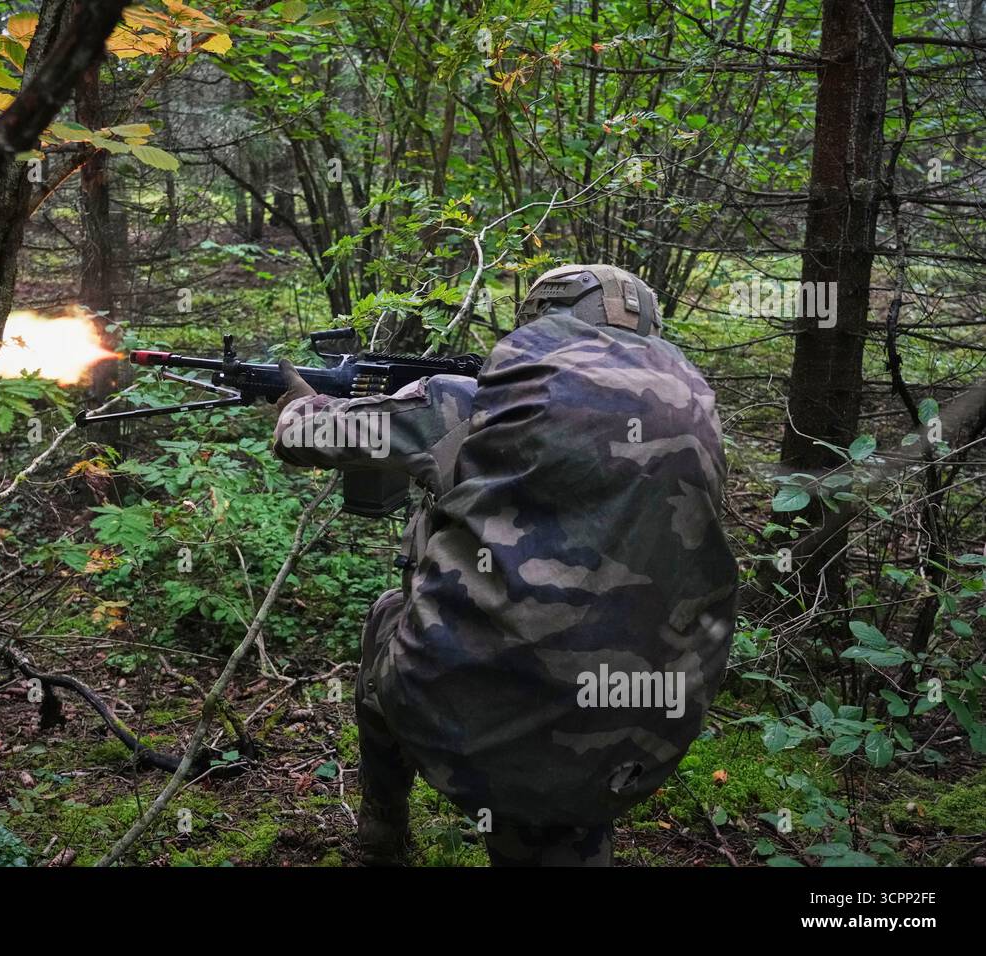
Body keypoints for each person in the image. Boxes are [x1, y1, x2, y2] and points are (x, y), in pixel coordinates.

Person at [271, 264, 738, 866]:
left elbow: (303, 435)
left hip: (486, 711)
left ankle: (380, 838)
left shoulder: (476, 403)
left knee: (389, 614)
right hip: (646, 725)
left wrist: (296, 403)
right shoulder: (696, 425)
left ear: (543, 317)